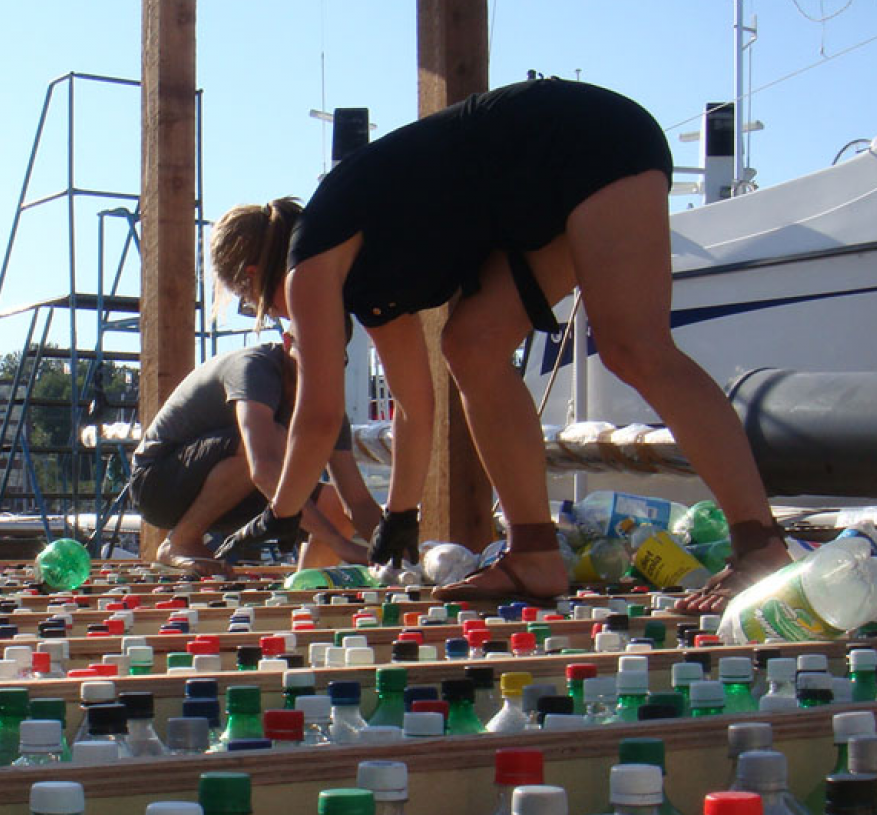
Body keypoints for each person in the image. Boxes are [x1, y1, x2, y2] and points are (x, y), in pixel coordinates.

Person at [210, 78, 789, 609]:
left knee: (634, 346)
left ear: (261, 272)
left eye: (254, 304)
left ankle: (759, 545)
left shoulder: (309, 260)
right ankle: (533, 554)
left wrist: (279, 517)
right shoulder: (364, 273)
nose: (278, 319)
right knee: (471, 344)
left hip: (586, 139)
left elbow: (318, 416)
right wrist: (401, 514)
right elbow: (415, 407)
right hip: (536, 184)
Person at [130, 331, 381, 574]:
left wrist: (392, 548)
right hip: (158, 485)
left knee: (334, 504)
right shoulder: (254, 369)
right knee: (270, 440)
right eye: (310, 354)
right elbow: (263, 467)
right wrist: (340, 544)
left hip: (234, 492)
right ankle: (182, 540)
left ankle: (306, 589)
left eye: (330, 358)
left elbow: (356, 501)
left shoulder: (326, 406)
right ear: (287, 343)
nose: (318, 367)